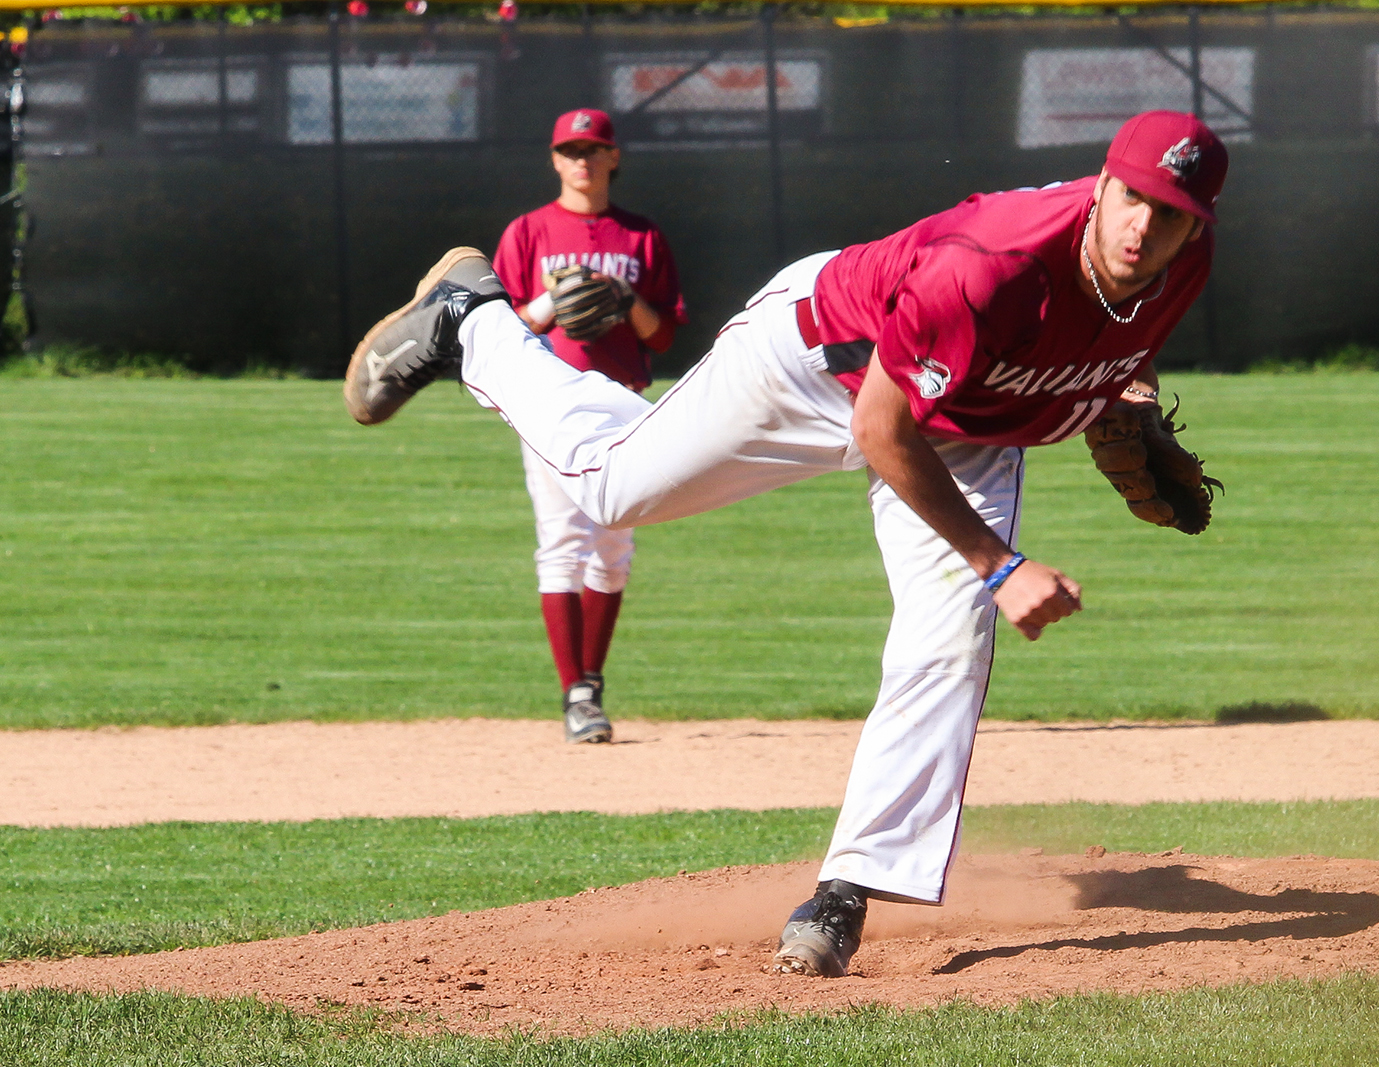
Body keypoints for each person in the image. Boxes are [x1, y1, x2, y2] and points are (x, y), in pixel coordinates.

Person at [343, 110, 1227, 978]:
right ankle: (473, 320)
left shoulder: (1178, 262)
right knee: (613, 489)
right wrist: (998, 562)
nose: (1145, 227)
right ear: (1101, 185)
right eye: (1134, 199)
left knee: (950, 634)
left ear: (1199, 226)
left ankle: (845, 891)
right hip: (817, 360)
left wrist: (1122, 396)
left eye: (1172, 215)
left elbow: (1121, 331)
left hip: (968, 418)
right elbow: (883, 426)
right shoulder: (991, 266)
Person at [492, 108, 686, 744]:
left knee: (614, 547)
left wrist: (625, 299)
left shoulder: (641, 236)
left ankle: (591, 682)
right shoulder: (528, 231)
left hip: (626, 401)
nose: (582, 160)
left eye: (593, 149)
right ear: (555, 159)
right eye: (570, 150)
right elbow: (502, 334)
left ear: (613, 158)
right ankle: (574, 691)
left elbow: (663, 333)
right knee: (560, 542)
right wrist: (552, 300)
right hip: (551, 404)